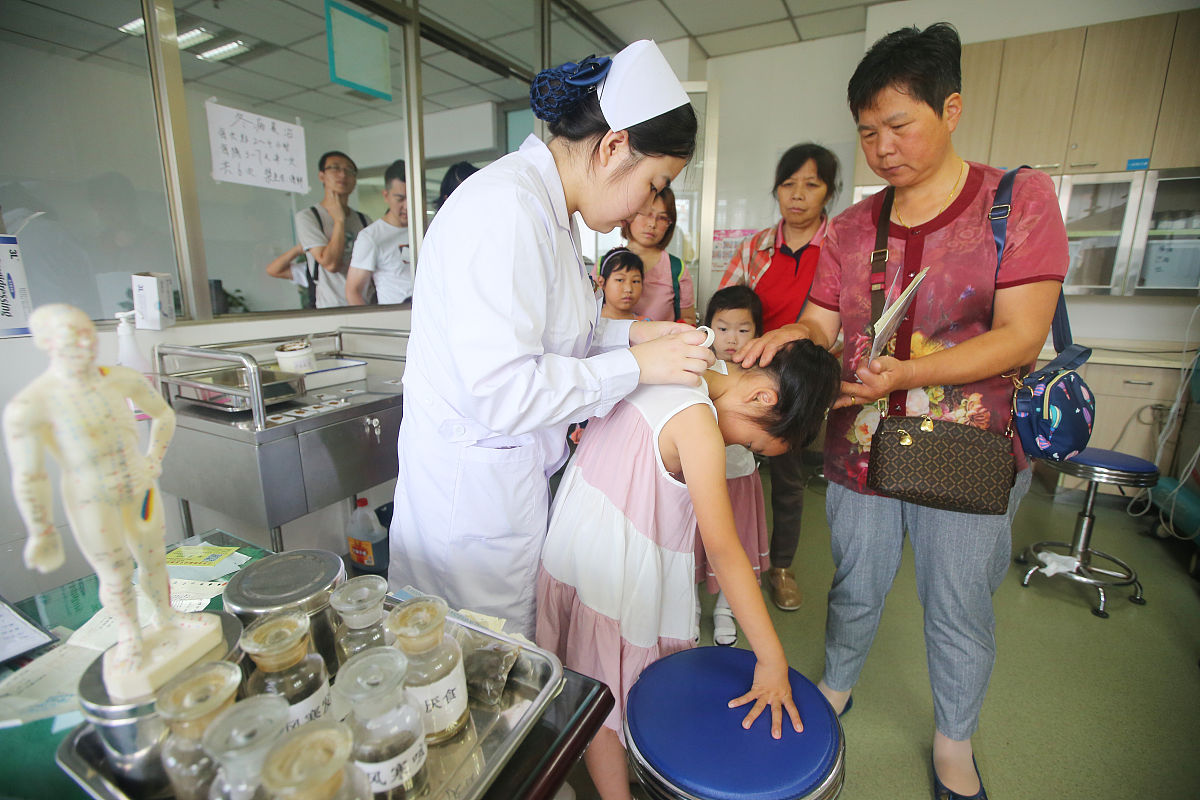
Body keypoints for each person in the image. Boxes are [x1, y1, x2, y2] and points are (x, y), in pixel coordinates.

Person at [737, 23, 1068, 800]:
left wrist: (909, 373)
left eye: (899, 126)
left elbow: (1022, 337)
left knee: (956, 602)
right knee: (856, 579)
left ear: (950, 109)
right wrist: (795, 332)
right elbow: (824, 322)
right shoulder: (851, 227)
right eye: (867, 133)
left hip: (965, 446)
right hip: (860, 440)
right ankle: (838, 688)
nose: (882, 148)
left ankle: (954, 743)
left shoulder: (1014, 202)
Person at [387, 41, 715, 638]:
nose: (648, 205)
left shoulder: (553, 213)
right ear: (614, 147)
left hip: (509, 492)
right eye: (653, 183)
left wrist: (639, 332)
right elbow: (505, 391)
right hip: (470, 512)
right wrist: (640, 365)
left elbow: (567, 335)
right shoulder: (504, 210)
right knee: (475, 670)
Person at [536, 339, 839, 800]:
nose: (741, 447)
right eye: (754, 441)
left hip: (572, 547)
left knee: (588, 675)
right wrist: (772, 659)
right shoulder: (699, 425)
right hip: (617, 574)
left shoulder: (679, 360)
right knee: (607, 700)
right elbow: (724, 550)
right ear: (762, 398)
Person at [4, 304, 220, 697]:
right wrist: (40, 530)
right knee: (115, 572)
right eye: (73, 338)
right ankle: (131, 634)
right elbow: (29, 475)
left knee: (154, 557)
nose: (85, 344)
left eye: (88, 334)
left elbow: (163, 414)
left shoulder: (118, 379)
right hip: (92, 500)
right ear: (47, 344)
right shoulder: (32, 404)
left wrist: (153, 456)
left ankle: (166, 617)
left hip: (139, 487)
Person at [719, 142, 841, 613]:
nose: (797, 195)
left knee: (789, 481)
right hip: (749, 381)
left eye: (811, 185)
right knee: (730, 476)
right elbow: (731, 304)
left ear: (828, 192)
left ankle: (781, 567)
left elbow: (848, 324)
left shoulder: (836, 250)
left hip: (798, 388)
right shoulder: (755, 248)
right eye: (789, 184)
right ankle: (719, 567)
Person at [694, 285, 769, 646]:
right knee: (693, 544)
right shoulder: (699, 366)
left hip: (738, 475)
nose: (732, 339)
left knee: (735, 544)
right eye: (722, 328)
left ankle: (726, 609)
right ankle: (689, 606)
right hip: (695, 478)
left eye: (744, 330)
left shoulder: (762, 374)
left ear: (758, 333)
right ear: (707, 327)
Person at [294, 151, 370, 308]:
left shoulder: (364, 220)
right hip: (331, 308)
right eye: (335, 168)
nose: (342, 174)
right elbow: (331, 264)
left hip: (366, 305)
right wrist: (339, 221)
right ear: (322, 176)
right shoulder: (308, 217)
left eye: (349, 170)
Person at [623, 186, 695, 323]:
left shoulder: (676, 268)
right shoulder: (606, 264)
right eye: (646, 214)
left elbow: (689, 320)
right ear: (630, 213)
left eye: (662, 218)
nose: (652, 224)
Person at [347, 159, 412, 305]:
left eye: (412, 198)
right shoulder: (371, 237)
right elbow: (353, 291)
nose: (407, 206)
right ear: (386, 196)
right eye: (400, 199)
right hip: (395, 320)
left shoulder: (425, 229)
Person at [595, 247, 644, 321]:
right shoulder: (590, 325)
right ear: (602, 282)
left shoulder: (646, 325)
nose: (629, 289)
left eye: (635, 281)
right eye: (620, 280)